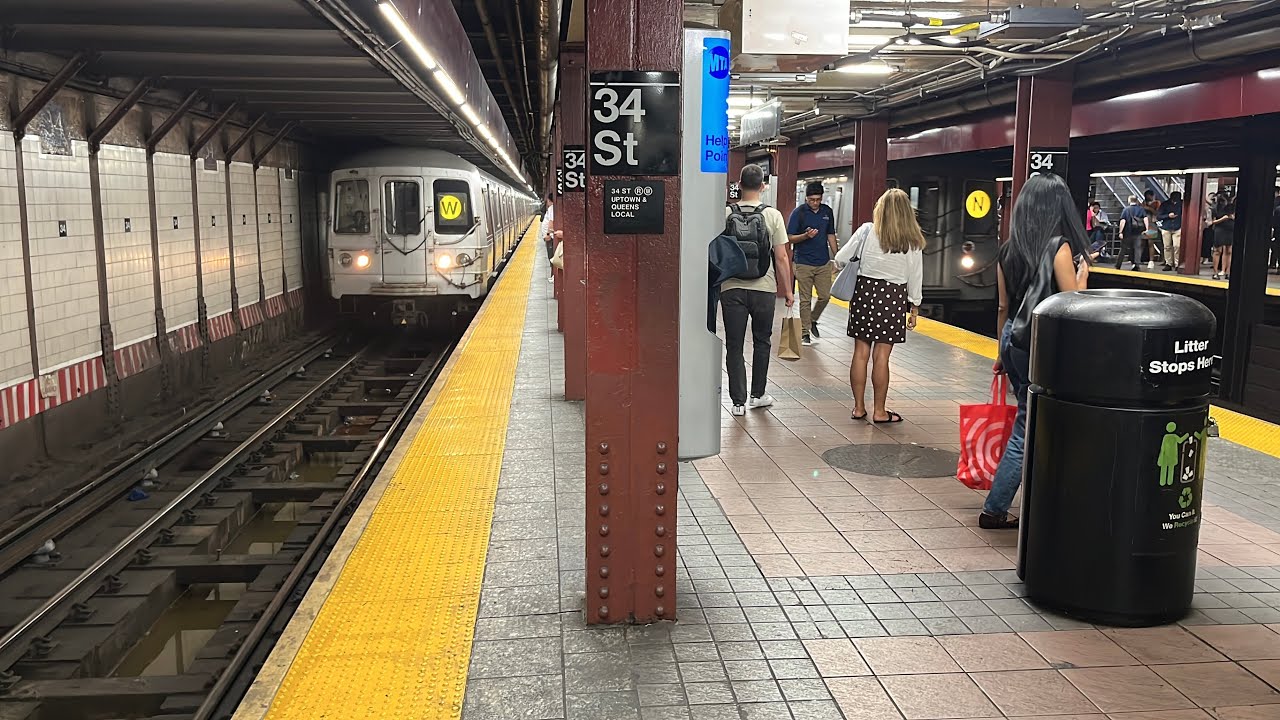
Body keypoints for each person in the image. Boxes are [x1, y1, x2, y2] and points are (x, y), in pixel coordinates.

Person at [981, 173, 1090, 530]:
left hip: (1013, 340)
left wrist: (1000, 352)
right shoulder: (1059, 247)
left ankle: (1040, 498)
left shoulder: (1007, 249)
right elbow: (1071, 303)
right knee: (1028, 426)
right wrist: (1084, 277)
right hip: (1039, 343)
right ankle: (995, 509)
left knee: (1033, 419)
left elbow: (1002, 307)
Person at [835, 188, 925, 424]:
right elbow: (916, 276)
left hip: (864, 293)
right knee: (882, 356)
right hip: (893, 296)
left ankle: (858, 408)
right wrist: (914, 308)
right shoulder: (912, 240)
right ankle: (880, 411)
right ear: (907, 212)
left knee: (860, 352)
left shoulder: (866, 231)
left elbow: (841, 258)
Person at [721, 164, 794, 417]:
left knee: (734, 345)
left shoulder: (726, 212)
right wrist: (788, 290)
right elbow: (782, 257)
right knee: (762, 342)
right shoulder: (772, 215)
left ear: (739, 185)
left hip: (731, 287)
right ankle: (758, 395)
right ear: (763, 186)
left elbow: (714, 250)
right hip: (764, 288)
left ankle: (738, 402)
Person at [787, 181, 839, 346]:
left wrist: (837, 257)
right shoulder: (799, 213)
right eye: (812, 200)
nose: (815, 203)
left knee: (825, 296)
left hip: (823, 262)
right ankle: (804, 333)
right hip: (803, 262)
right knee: (805, 299)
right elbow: (789, 238)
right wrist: (805, 236)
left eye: (818, 199)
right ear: (806, 198)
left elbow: (831, 234)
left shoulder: (827, 212)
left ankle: (813, 320)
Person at [1116, 195, 1150, 271]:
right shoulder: (1141, 209)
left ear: (1129, 200)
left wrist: (1120, 232)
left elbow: (1123, 221)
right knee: (1137, 249)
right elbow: (1145, 218)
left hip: (1127, 233)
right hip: (1138, 232)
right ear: (1136, 201)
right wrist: (1147, 229)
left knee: (1123, 249)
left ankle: (1118, 264)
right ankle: (1137, 265)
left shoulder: (1126, 210)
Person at [1210, 193, 1236, 281]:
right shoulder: (1215, 208)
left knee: (1229, 250)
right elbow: (1212, 222)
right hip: (1220, 229)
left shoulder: (1231, 207)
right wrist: (1223, 218)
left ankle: (1227, 272)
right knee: (1217, 250)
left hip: (1230, 229)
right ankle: (1215, 272)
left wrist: (1232, 218)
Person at [1159, 191, 1183, 271]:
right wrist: (1168, 216)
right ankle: (1168, 263)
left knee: (1177, 246)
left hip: (1178, 227)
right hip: (1167, 227)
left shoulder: (1182, 204)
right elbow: (1158, 216)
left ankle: (1177, 263)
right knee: (1167, 246)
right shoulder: (1165, 204)